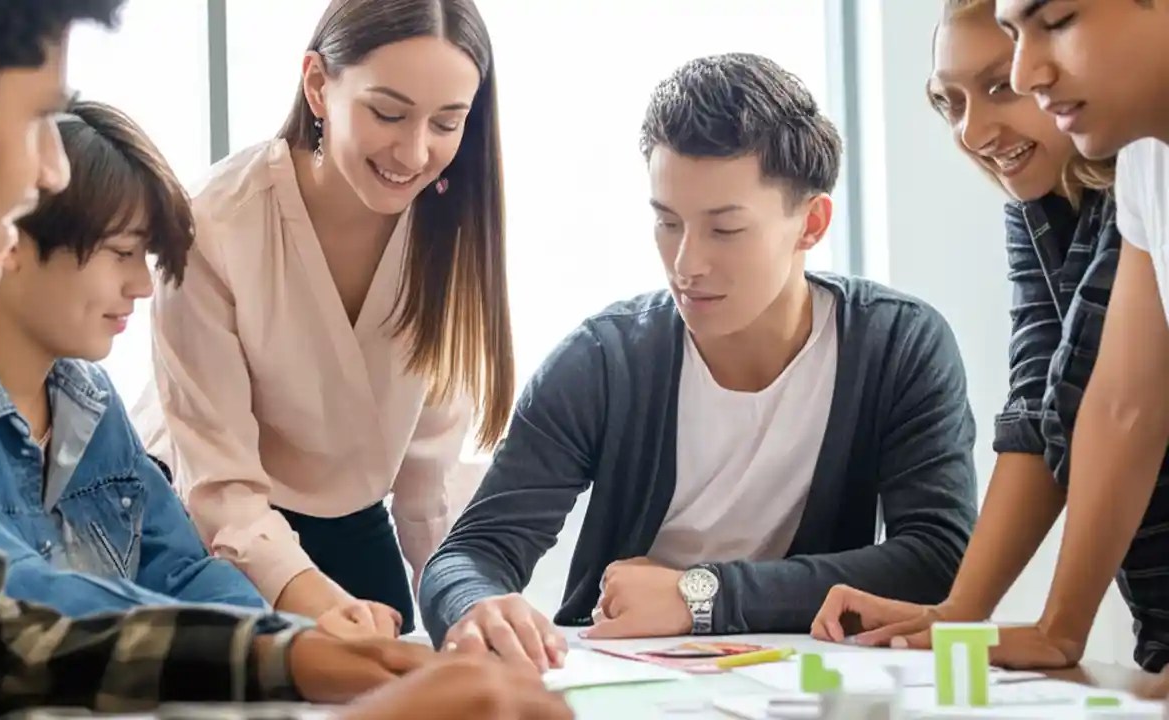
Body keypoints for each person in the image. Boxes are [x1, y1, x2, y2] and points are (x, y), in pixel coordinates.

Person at [0, 2, 570, 718]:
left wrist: (282, 649)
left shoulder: (36, 401)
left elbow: (1, 638)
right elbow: (200, 510)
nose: (52, 168)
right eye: (37, 121)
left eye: (446, 121)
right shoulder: (222, 219)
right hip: (253, 535)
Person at [418, 52, 979, 674]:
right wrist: (477, 604)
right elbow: (470, 553)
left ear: (811, 223)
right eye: (667, 222)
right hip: (620, 680)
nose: (687, 263)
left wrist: (700, 596)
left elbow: (937, 557)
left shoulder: (899, 346)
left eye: (725, 230)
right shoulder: (603, 360)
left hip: (808, 682)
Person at [133, 0, 514, 639]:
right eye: (388, 113)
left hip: (349, 519)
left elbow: (427, 483)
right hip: (203, 530)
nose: (415, 152)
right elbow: (221, 486)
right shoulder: (216, 222)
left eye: (447, 123)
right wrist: (319, 604)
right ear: (318, 83)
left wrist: (465, 602)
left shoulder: (448, 225)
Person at [810, 0, 1169, 675]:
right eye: (948, 101)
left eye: (1000, 83)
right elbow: (1081, 404)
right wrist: (965, 615)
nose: (974, 129)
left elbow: (1110, 399)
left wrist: (1047, 624)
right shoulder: (1104, 184)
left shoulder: (1134, 167)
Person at [0, 99, 270, 616]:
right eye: (122, 253)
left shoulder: (91, 403)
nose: (141, 285)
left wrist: (296, 643)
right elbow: (13, 597)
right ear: (12, 238)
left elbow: (183, 574)